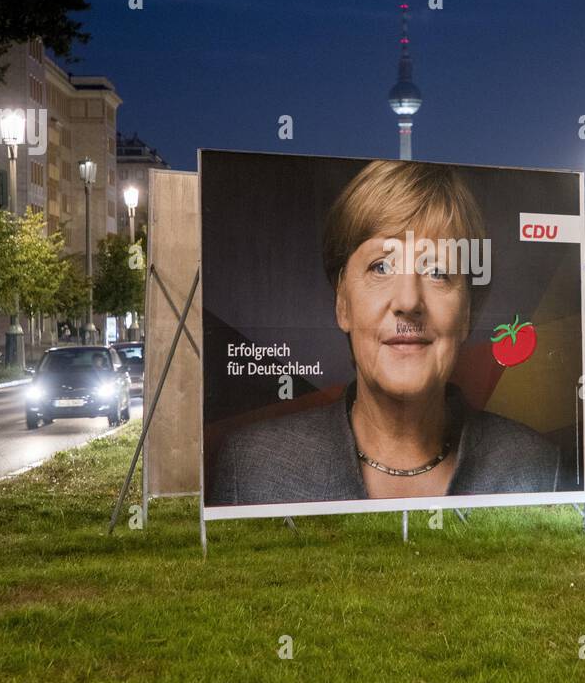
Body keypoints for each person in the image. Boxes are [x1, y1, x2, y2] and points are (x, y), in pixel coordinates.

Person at [209, 159, 560, 506]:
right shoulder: (252, 468)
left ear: (466, 313)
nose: (408, 301)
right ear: (342, 304)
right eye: (382, 266)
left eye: (437, 270)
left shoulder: (535, 468)